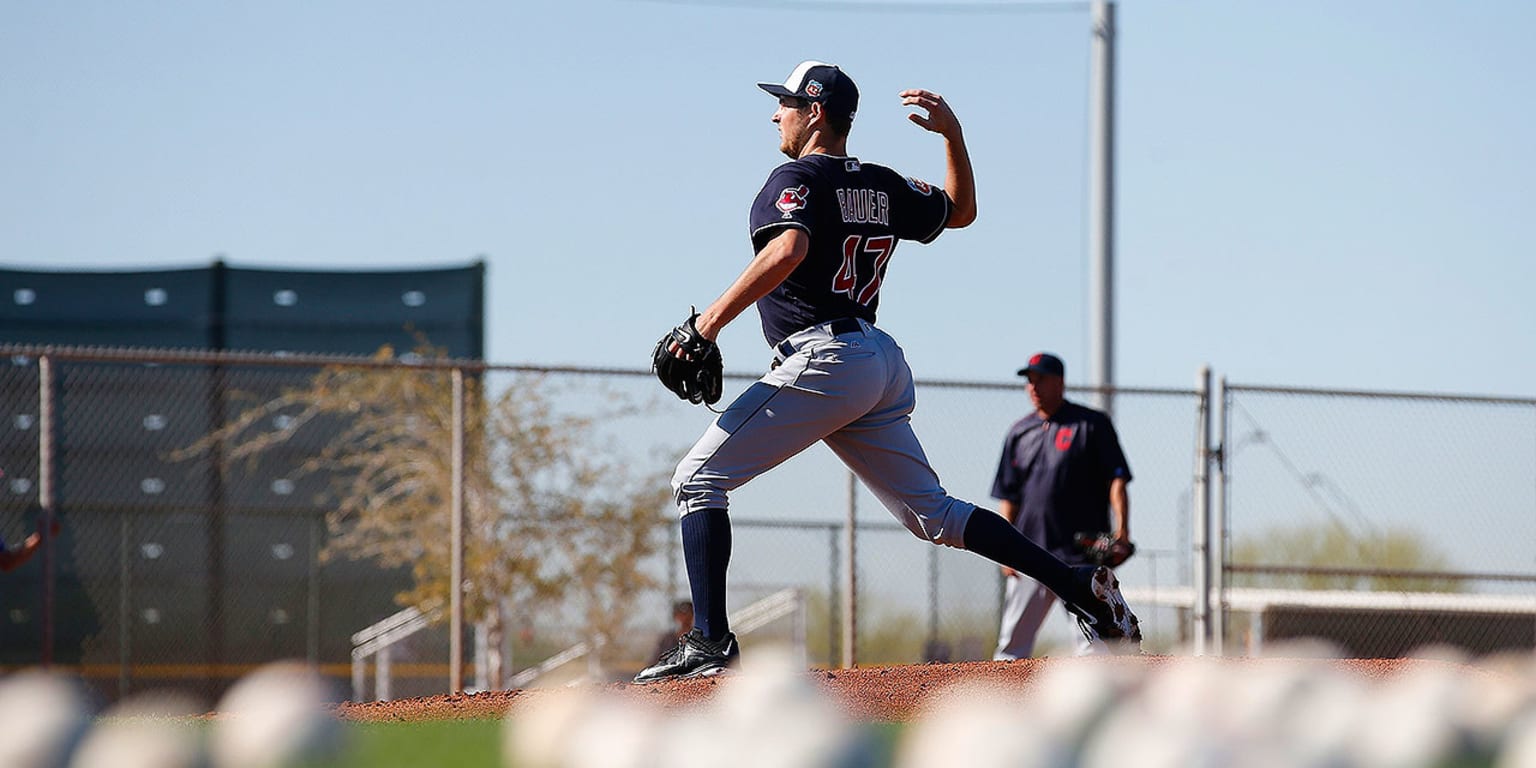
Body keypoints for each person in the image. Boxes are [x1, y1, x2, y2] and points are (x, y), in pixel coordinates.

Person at [637, 61, 1141, 683]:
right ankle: (1084, 591)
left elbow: (789, 247)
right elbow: (959, 212)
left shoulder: (793, 176)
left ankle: (710, 641)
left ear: (815, 113)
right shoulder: (879, 183)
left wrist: (704, 325)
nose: (776, 113)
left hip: (825, 358)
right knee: (933, 513)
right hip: (876, 359)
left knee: (697, 478)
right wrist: (954, 138)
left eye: (787, 104)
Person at [990, 352, 1134, 659]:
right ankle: (1008, 704)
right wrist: (1004, 549)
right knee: (1010, 651)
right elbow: (1009, 496)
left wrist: (1122, 531)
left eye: (1040, 378)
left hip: (1080, 555)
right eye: (1029, 380)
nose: (1033, 386)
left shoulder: (1091, 424)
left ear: (1060, 382)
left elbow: (1117, 480)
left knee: (1094, 649)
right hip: (1028, 551)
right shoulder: (1019, 432)